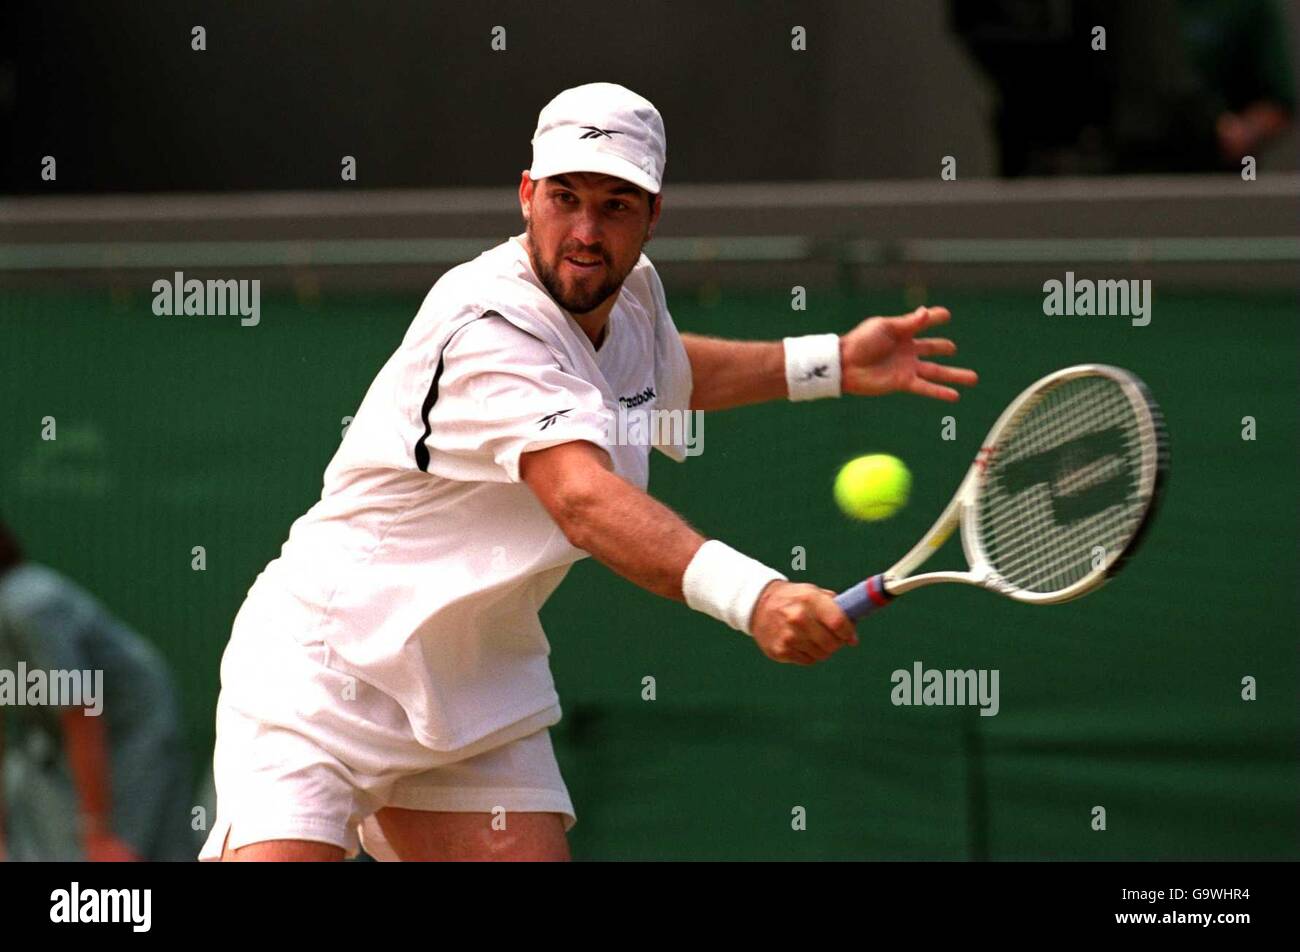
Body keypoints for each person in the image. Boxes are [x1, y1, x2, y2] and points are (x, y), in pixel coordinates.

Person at [202, 82, 977, 863]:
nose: (585, 231)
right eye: (564, 198)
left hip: (474, 686)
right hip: (323, 672)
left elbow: (662, 374)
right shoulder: (489, 326)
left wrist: (830, 361)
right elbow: (582, 498)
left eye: (615, 206)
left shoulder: (631, 295)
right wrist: (758, 597)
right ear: (526, 195)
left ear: (652, 215)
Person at [0, 518, 197, 861]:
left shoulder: (30, 606)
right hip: (57, 740)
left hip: (130, 729)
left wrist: (98, 832)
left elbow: (82, 713)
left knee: (112, 854)